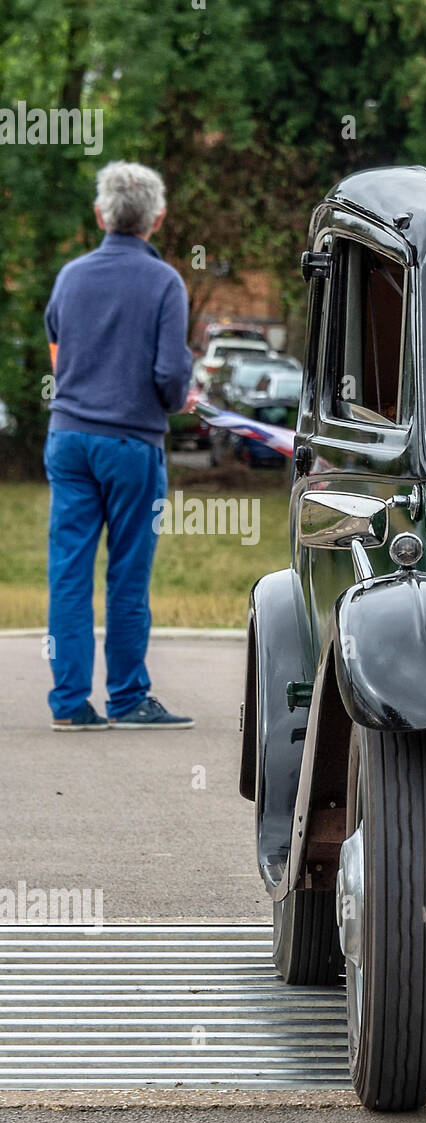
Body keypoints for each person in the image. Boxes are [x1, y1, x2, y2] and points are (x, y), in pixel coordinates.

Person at [43, 162, 193, 730]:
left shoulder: (70, 277)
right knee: (128, 575)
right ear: (156, 219)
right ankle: (128, 699)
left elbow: (59, 346)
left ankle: (68, 704)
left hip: (68, 439)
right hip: (131, 445)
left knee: (69, 573)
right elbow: (169, 376)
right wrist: (182, 396)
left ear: (101, 214)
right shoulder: (164, 284)